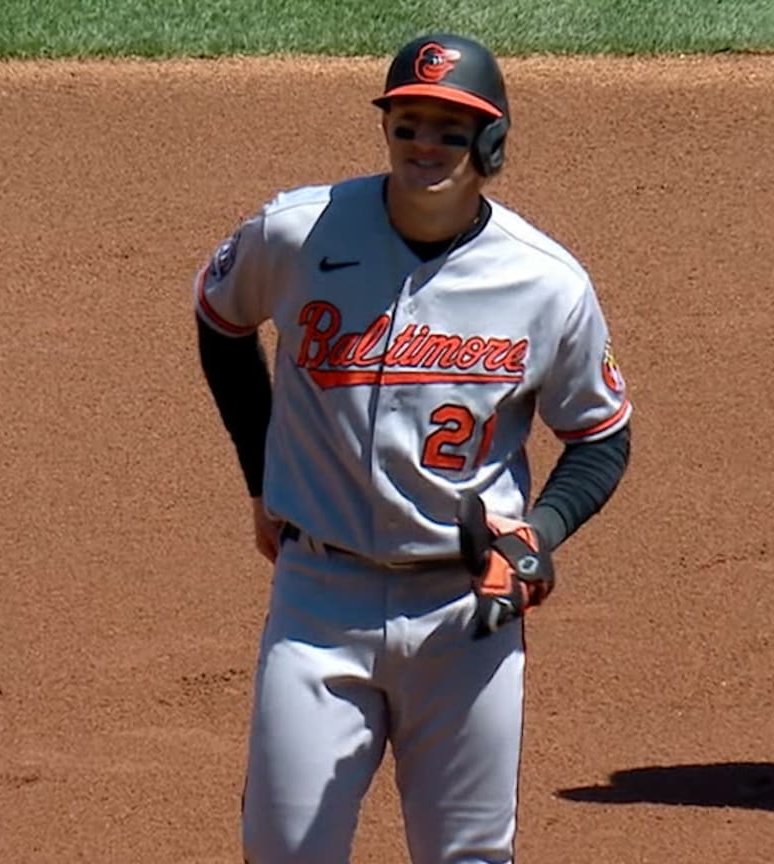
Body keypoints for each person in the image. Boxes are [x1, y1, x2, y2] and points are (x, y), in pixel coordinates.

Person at [191, 32, 633, 864]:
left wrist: (537, 531)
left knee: (466, 856)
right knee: (285, 849)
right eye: (408, 125)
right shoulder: (297, 232)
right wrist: (261, 478)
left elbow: (602, 437)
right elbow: (223, 326)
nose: (425, 145)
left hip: (465, 613)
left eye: (451, 130)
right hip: (319, 594)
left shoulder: (546, 283)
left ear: (490, 144)